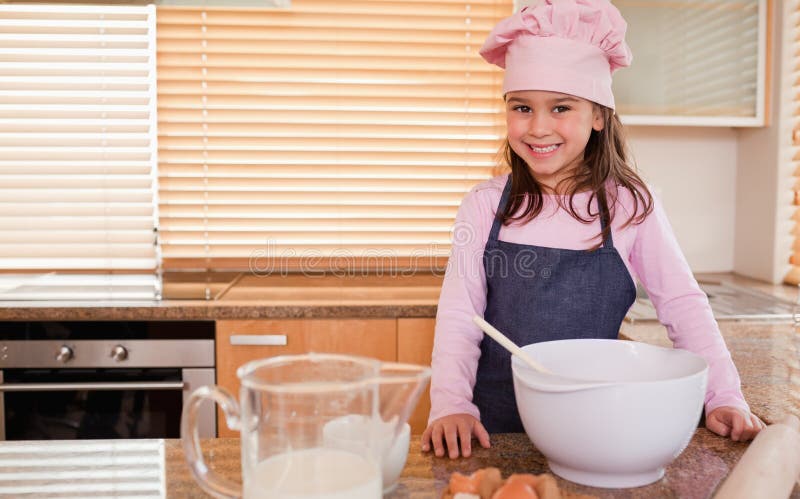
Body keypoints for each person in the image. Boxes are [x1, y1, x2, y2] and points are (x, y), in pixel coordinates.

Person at [421, 0, 766, 459]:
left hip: (592, 425)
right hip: (492, 428)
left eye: (561, 107)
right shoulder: (483, 205)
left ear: (599, 116)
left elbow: (683, 304)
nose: (538, 127)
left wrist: (723, 395)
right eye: (522, 107)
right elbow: (460, 315)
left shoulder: (630, 205)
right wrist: (450, 405)